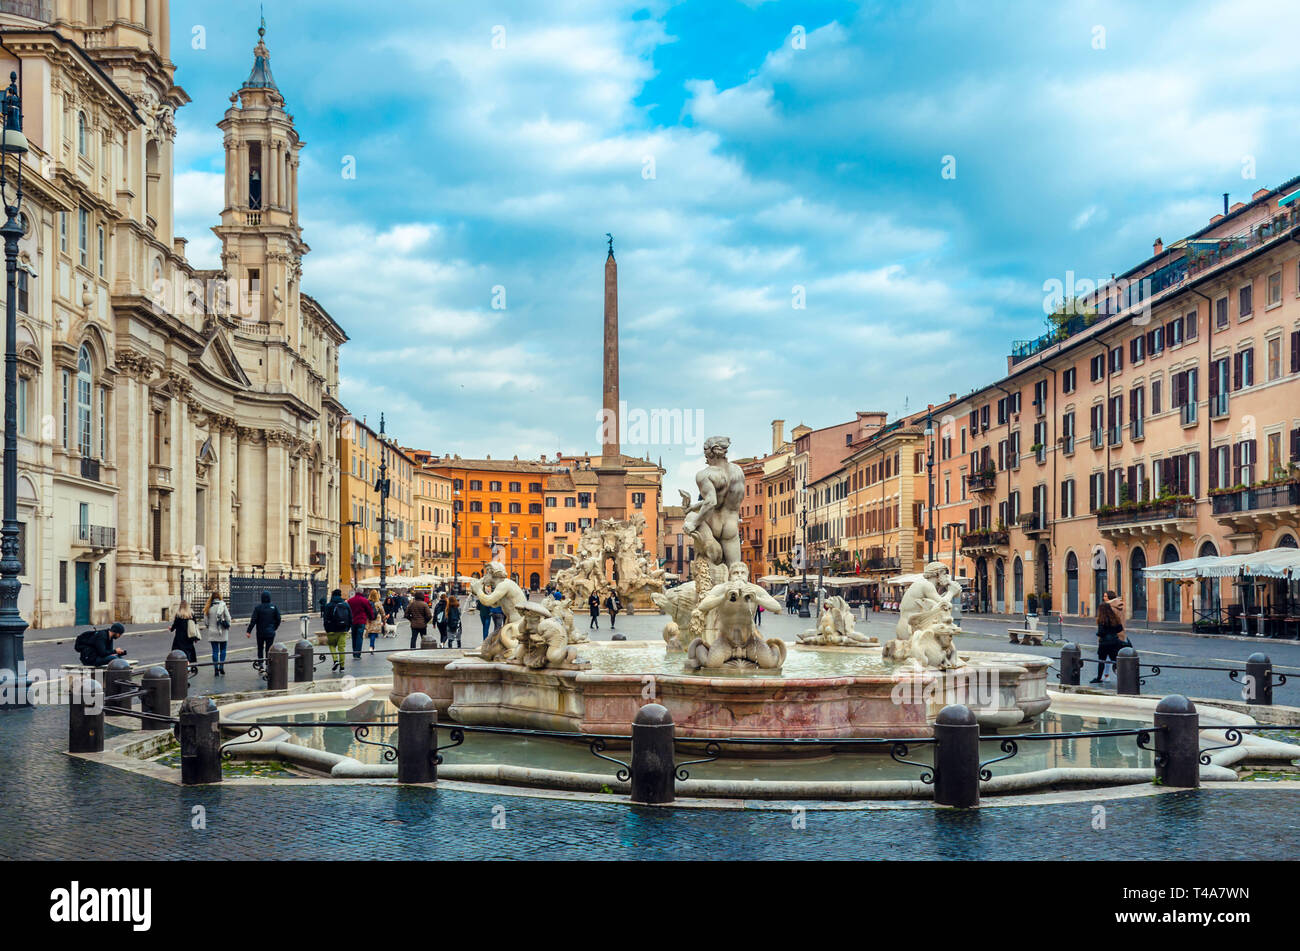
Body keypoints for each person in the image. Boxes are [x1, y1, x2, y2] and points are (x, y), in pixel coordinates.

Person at [1091, 590, 1127, 684]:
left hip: (1105, 642)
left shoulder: (1107, 613)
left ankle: (1102, 677)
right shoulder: (1120, 607)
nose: (1104, 598)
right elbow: (1119, 627)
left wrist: (1099, 635)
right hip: (1116, 639)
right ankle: (1124, 677)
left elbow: (1101, 632)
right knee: (1115, 660)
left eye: (1105, 596)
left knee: (1102, 660)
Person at [245, 590, 281, 670]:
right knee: (269, 649)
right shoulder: (273, 607)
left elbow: (253, 620)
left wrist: (249, 631)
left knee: (260, 648)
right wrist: (274, 627)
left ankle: (261, 664)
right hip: (270, 632)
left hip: (260, 632)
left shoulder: (258, 608)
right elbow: (278, 619)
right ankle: (268, 665)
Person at [322, 589, 353, 671]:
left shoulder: (329, 605)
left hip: (331, 629)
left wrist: (327, 629)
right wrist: (348, 628)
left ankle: (335, 660)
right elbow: (350, 617)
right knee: (341, 648)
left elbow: (325, 618)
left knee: (332, 645)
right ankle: (342, 666)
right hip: (342, 629)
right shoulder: (345, 604)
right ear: (340, 595)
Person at [204, 593, 232, 676]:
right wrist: (227, 624)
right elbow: (228, 618)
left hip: (212, 631)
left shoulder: (208, 607)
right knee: (223, 650)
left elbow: (206, 621)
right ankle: (221, 666)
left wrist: (209, 626)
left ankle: (216, 669)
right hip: (222, 631)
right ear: (219, 597)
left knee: (215, 651)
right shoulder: (223, 605)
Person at [346, 587, 375, 660]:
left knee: (354, 637)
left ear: (356, 592)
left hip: (353, 621)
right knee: (359, 637)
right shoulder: (364, 600)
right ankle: (357, 654)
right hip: (361, 621)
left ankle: (354, 652)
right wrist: (371, 618)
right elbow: (369, 610)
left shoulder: (350, 600)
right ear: (362, 592)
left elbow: (347, 610)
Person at [170, 600, 200, 665]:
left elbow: (175, 624)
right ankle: (188, 665)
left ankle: (180, 665)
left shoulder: (178, 614)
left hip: (179, 636)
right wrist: (195, 638)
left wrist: (171, 629)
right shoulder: (191, 614)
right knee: (188, 651)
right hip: (189, 636)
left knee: (179, 651)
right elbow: (195, 625)